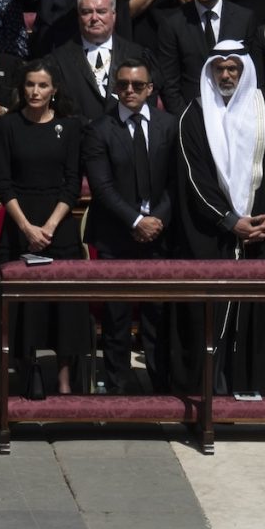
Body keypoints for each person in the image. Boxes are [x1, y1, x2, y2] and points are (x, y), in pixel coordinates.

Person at [175, 43, 265, 395]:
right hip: (212, 236)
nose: (226, 75)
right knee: (212, 317)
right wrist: (228, 220)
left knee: (258, 317)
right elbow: (194, 179)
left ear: (244, 70)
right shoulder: (194, 116)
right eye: (219, 69)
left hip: (263, 236)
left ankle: (256, 390)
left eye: (233, 68)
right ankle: (211, 395)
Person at [0, 60, 92, 397]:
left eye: (42, 85)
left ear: (54, 90)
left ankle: (65, 379)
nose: (35, 92)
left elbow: (72, 183)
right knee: (24, 306)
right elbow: (3, 182)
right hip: (19, 222)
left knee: (65, 305)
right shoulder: (8, 125)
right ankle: (29, 371)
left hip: (58, 225)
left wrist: (49, 226)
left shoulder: (70, 127)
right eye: (30, 85)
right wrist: (27, 227)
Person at [84, 58, 178, 394]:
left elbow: (176, 181)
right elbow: (102, 186)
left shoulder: (170, 125)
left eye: (137, 85)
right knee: (117, 316)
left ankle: (161, 388)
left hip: (160, 235)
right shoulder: (99, 128)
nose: (129, 90)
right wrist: (136, 221)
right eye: (122, 84)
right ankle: (117, 390)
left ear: (150, 89)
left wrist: (157, 220)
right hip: (116, 235)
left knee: (157, 314)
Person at [155, 0, 256, 114]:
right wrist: (187, 119)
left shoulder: (244, 19)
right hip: (192, 114)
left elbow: (252, 75)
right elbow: (169, 84)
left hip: (238, 113)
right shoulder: (173, 24)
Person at [49, 0, 149, 122]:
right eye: (87, 12)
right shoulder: (59, 59)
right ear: (78, 16)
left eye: (101, 11)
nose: (94, 18)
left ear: (113, 15)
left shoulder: (137, 54)